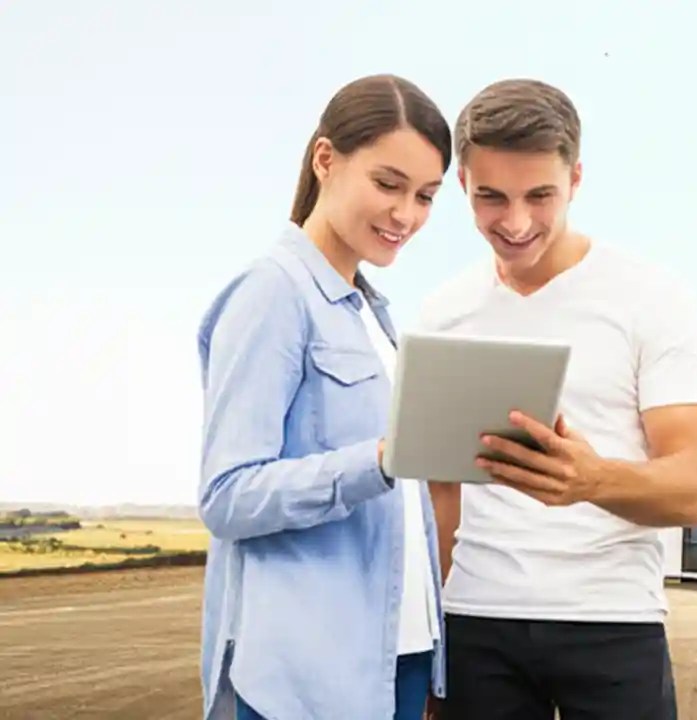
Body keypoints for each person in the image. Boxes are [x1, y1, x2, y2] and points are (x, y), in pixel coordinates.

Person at [421, 78, 697, 720]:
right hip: (476, 624)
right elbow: (442, 494)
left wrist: (592, 479)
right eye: (491, 197)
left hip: (611, 622)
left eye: (540, 195)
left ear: (576, 179)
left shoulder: (651, 298)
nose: (516, 222)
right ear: (463, 185)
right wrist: (433, 644)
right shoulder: (441, 314)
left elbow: (690, 490)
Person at [196, 74, 452, 720]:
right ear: (325, 160)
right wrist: (378, 462)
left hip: (398, 659)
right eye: (388, 185)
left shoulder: (375, 314)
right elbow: (227, 494)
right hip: (307, 682)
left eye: (426, 196)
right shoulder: (273, 295)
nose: (406, 215)